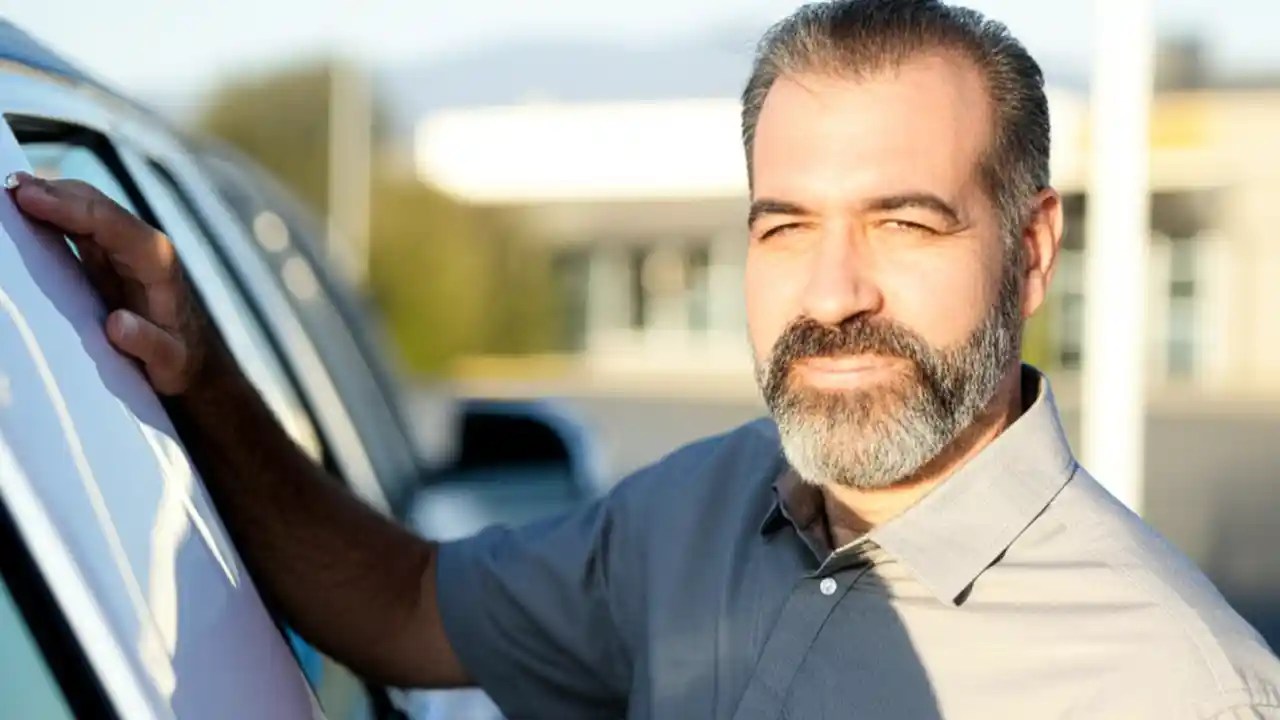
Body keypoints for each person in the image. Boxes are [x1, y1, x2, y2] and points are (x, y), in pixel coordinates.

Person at [10, 0, 1280, 717]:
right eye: (785, 226)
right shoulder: (698, 509)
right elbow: (396, 606)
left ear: (1031, 247)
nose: (832, 292)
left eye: (904, 222)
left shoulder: (1178, 685)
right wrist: (202, 375)